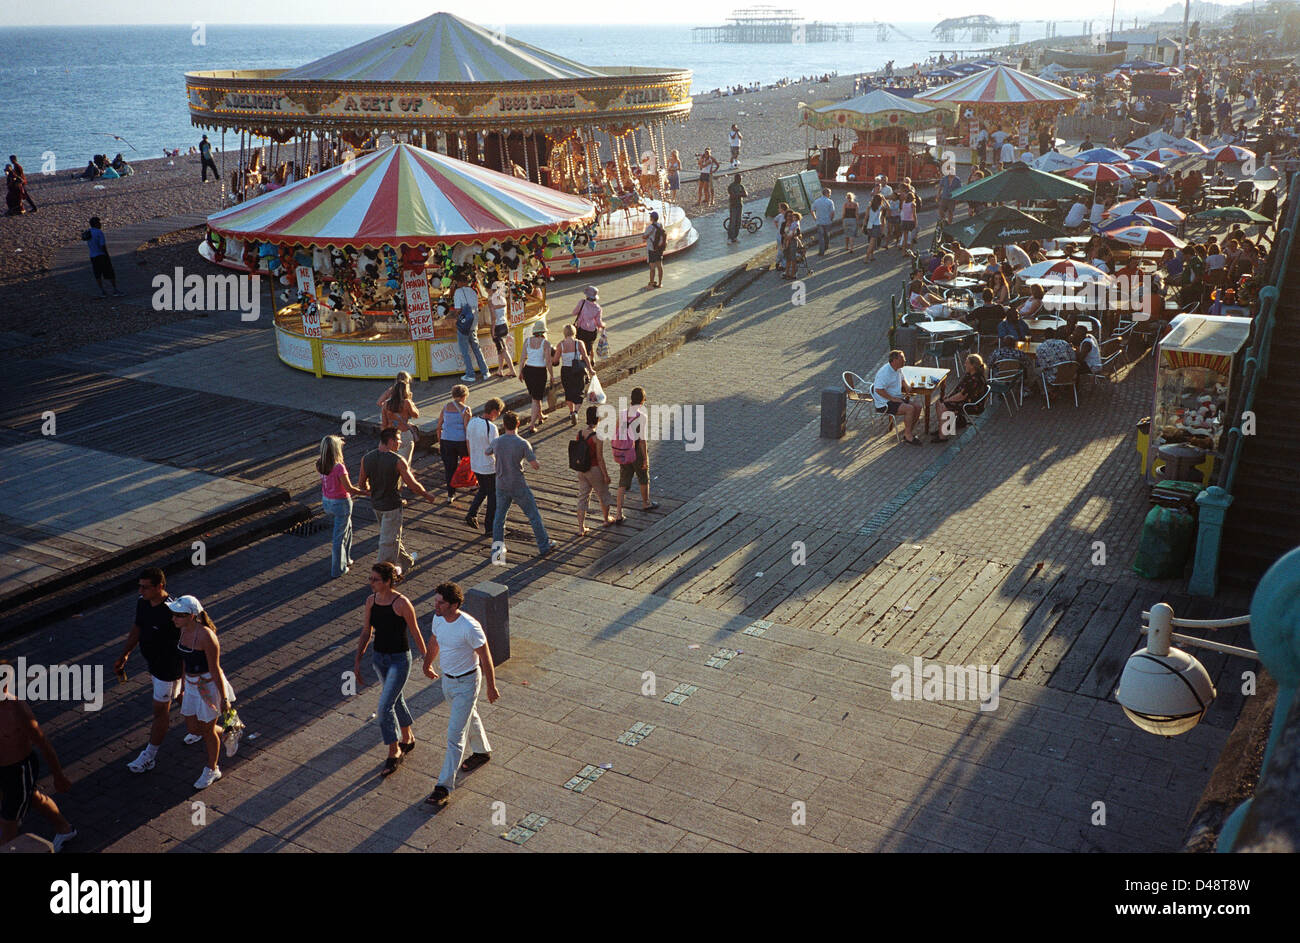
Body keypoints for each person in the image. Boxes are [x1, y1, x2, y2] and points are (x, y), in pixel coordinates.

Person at [421, 582, 499, 809]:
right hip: (448, 680)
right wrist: (427, 664)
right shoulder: (438, 618)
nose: (436, 605)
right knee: (467, 714)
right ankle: (482, 751)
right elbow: (434, 641)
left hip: (467, 683)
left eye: (441, 602)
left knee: (455, 736)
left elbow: (485, 657)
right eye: (435, 601)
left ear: (454, 605)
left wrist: (491, 687)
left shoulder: (469, 627)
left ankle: (443, 786)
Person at [354, 562, 427, 777]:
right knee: (396, 700)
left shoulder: (402, 603)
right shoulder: (370, 601)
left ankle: (394, 750)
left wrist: (426, 660)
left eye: (375, 579)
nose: (371, 583)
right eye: (370, 578)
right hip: (380, 659)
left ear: (388, 581)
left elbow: (415, 632)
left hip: (399, 660)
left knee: (385, 707)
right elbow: (367, 631)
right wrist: (358, 660)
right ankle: (408, 737)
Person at [115, 568, 188, 773]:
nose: (141, 590)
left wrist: (184, 676)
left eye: (145, 587)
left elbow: (185, 644)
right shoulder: (143, 603)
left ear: (160, 587)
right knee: (183, 699)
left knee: (160, 712)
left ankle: (149, 756)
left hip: (168, 670)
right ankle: (203, 728)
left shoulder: (173, 611)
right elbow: (137, 628)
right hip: (154, 667)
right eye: (139, 586)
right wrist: (125, 654)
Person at [0, 661, 76, 851]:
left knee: (8, 822)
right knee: (32, 797)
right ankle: (65, 829)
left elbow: (44, 744)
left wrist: (58, 776)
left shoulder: (17, 710)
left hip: (18, 771)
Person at [166, 595, 236, 790]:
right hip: (191, 685)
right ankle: (229, 733)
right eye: (174, 615)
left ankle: (212, 768)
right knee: (194, 729)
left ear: (192, 616)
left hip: (208, 687)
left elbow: (215, 669)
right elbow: (184, 661)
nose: (174, 619)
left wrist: (223, 699)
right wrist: (181, 686)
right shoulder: (181, 631)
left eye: (179, 615)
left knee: (206, 730)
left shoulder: (207, 636)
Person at [358, 428, 437, 576]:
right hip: (392, 507)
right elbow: (412, 485)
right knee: (387, 541)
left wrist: (373, 491)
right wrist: (427, 495)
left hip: (377, 506)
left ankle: (406, 561)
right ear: (392, 441)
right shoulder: (398, 461)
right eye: (399, 440)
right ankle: (382, 576)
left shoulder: (367, 458)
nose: (400, 443)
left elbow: (362, 485)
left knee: (390, 535)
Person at [485, 411, 556, 557]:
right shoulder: (523, 443)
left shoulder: (497, 441)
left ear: (503, 425)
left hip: (501, 483)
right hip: (518, 484)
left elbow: (487, 452)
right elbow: (535, 465)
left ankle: (497, 550)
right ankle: (544, 545)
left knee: (499, 517)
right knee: (533, 515)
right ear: (518, 424)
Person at [317, 436, 366, 579]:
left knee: (348, 528)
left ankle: (347, 558)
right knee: (339, 536)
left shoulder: (320, 464)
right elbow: (349, 488)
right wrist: (365, 492)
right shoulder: (339, 467)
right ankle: (338, 568)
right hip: (341, 504)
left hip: (327, 501)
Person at [612, 386, 660, 520]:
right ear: (643, 400)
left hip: (624, 452)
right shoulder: (642, 416)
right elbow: (643, 440)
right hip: (636, 451)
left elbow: (617, 432)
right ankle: (646, 503)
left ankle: (618, 513)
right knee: (643, 477)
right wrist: (645, 458)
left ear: (631, 399)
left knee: (623, 482)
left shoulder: (622, 413)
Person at [574, 404, 614, 536]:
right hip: (594, 469)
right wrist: (606, 475)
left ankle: (581, 528)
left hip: (582, 470)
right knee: (603, 495)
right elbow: (600, 458)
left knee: (583, 498)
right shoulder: (598, 436)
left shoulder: (580, 433)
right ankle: (606, 519)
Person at [464, 397, 502, 537]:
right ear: (493, 411)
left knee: (484, 489)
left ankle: (472, 513)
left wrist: (472, 459)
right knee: (493, 495)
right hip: (488, 466)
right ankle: (489, 526)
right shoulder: (491, 427)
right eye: (498, 412)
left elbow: (468, 442)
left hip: (476, 464)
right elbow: (495, 448)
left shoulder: (472, 421)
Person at [933, 354, 988, 442]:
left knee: (943, 406)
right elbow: (958, 389)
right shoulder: (970, 374)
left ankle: (943, 436)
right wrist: (949, 396)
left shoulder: (974, 379)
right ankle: (945, 429)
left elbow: (961, 396)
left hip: (971, 405)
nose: (965, 365)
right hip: (966, 400)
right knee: (939, 402)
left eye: (967, 363)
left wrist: (947, 400)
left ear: (973, 366)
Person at [872, 350, 923, 445]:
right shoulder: (884, 373)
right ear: (895, 360)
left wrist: (907, 387)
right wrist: (892, 398)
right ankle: (908, 436)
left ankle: (908, 432)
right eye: (902, 358)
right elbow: (878, 389)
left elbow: (902, 379)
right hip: (885, 403)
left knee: (918, 407)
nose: (905, 360)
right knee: (910, 409)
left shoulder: (898, 368)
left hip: (896, 398)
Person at [555, 324, 594, 426]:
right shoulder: (579, 343)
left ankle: (571, 411)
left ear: (564, 333)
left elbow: (555, 360)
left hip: (566, 371)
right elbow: (585, 357)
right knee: (579, 391)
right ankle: (576, 412)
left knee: (568, 391)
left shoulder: (560, 345)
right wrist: (590, 370)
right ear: (574, 332)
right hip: (577, 370)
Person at [452, 276, 489, 383]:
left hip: (464, 326)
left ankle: (470, 374)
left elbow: (458, 309)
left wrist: (455, 315)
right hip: (473, 324)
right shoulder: (473, 291)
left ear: (460, 282)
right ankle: (485, 372)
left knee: (465, 350)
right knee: (477, 348)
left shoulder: (458, 292)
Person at [519, 321, 555, 432]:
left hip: (528, 370)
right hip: (539, 371)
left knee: (535, 395)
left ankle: (540, 415)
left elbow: (522, 358)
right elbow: (548, 361)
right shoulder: (546, 343)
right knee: (536, 398)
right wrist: (552, 375)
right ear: (543, 331)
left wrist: (520, 372)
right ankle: (532, 424)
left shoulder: (527, 341)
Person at [381, 378, 421, 464]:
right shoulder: (406, 403)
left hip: (391, 435)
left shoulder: (386, 404)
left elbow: (384, 424)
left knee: (391, 463)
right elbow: (416, 415)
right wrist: (411, 401)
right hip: (404, 434)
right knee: (405, 464)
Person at [83, 217, 123, 297]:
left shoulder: (88, 232)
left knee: (97, 274)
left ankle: (102, 291)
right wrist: (107, 255)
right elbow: (102, 246)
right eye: (99, 223)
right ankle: (115, 289)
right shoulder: (99, 232)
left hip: (93, 256)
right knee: (109, 273)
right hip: (101, 255)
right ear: (96, 224)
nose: (100, 224)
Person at [487, 281, 516, 378]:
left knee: (503, 350)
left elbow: (493, 318)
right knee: (500, 349)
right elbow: (505, 314)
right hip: (504, 325)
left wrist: (492, 330)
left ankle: (512, 370)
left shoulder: (491, 301)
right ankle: (500, 370)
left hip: (497, 327)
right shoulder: (503, 299)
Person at [572, 285, 604, 360]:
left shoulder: (582, 302)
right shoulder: (598, 308)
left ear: (586, 295)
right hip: (592, 331)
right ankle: (592, 360)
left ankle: (581, 365)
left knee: (580, 347)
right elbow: (598, 322)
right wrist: (603, 326)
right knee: (589, 345)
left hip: (581, 330)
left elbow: (574, 313)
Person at [644, 210, 667, 288]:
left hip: (652, 249)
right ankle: (660, 283)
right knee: (660, 266)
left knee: (652, 267)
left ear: (652, 218)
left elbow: (644, 236)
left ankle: (651, 284)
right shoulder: (660, 225)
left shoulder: (650, 227)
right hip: (659, 248)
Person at [811, 188, 835, 256]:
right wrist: (831, 219)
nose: (830, 194)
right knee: (827, 235)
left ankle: (821, 251)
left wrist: (815, 218)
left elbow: (812, 210)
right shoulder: (830, 202)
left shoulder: (816, 201)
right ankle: (826, 247)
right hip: (827, 221)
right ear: (827, 193)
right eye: (830, 193)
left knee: (821, 236)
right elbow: (832, 212)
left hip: (819, 222)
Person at [725, 174, 747, 244]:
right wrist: (740, 194)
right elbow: (733, 195)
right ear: (736, 179)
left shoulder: (741, 186)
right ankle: (729, 237)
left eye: (741, 179)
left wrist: (738, 194)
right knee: (732, 221)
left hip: (739, 205)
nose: (740, 180)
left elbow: (746, 194)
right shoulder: (731, 186)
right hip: (733, 205)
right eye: (739, 179)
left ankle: (735, 237)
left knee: (738, 221)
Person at [782, 211, 803, 279]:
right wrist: (786, 238)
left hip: (793, 241)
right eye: (788, 216)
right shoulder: (784, 223)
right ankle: (787, 272)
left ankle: (793, 273)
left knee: (793, 258)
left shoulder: (795, 223)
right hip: (786, 242)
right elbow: (781, 232)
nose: (789, 217)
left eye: (791, 216)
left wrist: (791, 237)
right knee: (787, 258)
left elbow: (798, 233)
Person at [863, 194, 884, 263]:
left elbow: (866, 218)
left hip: (869, 225)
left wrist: (864, 226)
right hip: (876, 225)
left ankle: (871, 256)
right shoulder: (880, 207)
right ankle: (866, 257)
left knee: (872, 241)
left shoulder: (869, 207)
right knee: (872, 242)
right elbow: (888, 207)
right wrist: (884, 199)